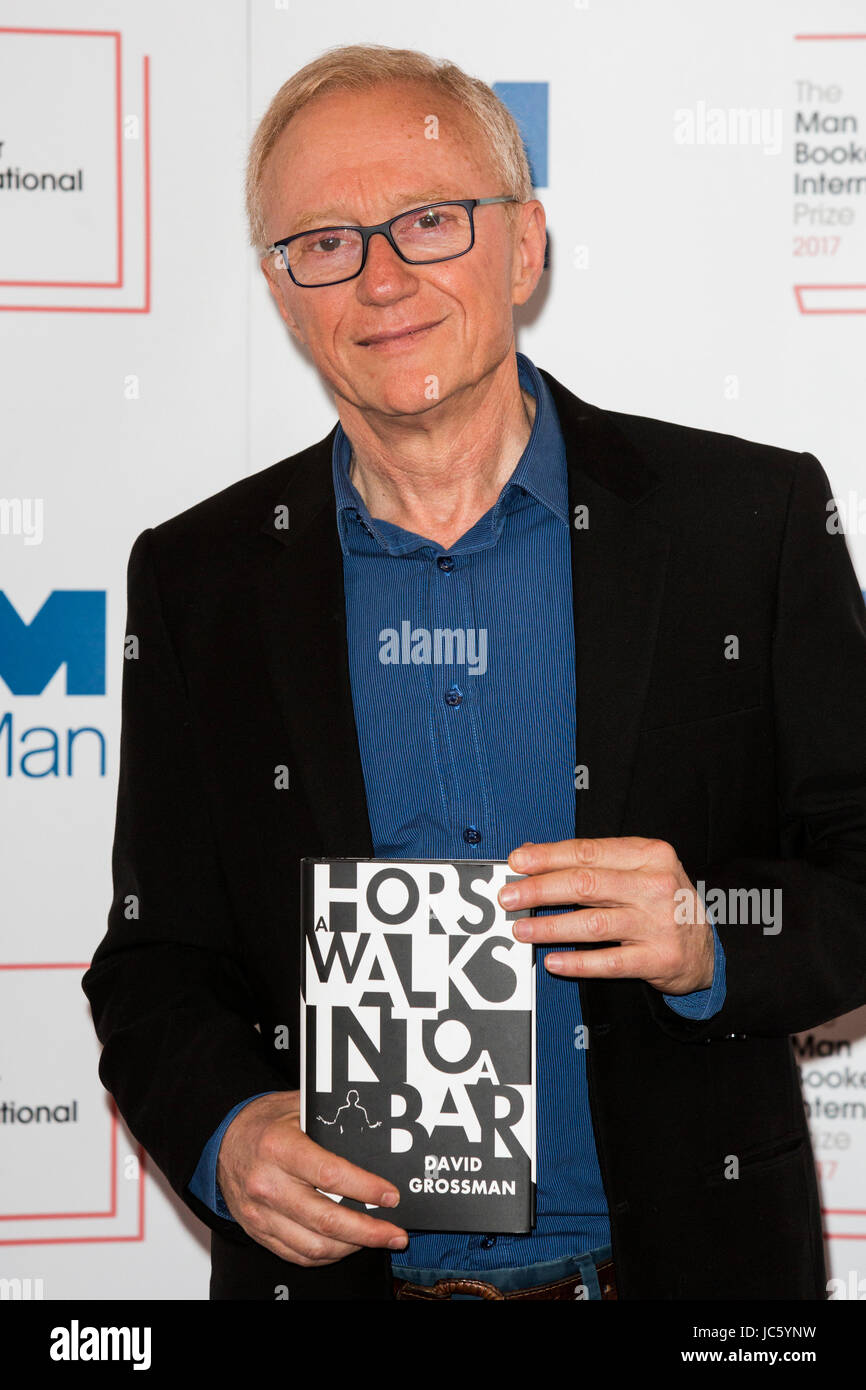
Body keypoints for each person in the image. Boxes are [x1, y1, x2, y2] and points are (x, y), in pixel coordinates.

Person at [83, 43, 866, 1301]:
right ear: (285, 295)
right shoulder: (200, 578)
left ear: (522, 246)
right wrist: (229, 1133)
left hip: (680, 1282)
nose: (380, 275)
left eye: (429, 221)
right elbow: (153, 958)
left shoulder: (746, 520)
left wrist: (708, 932)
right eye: (324, 242)